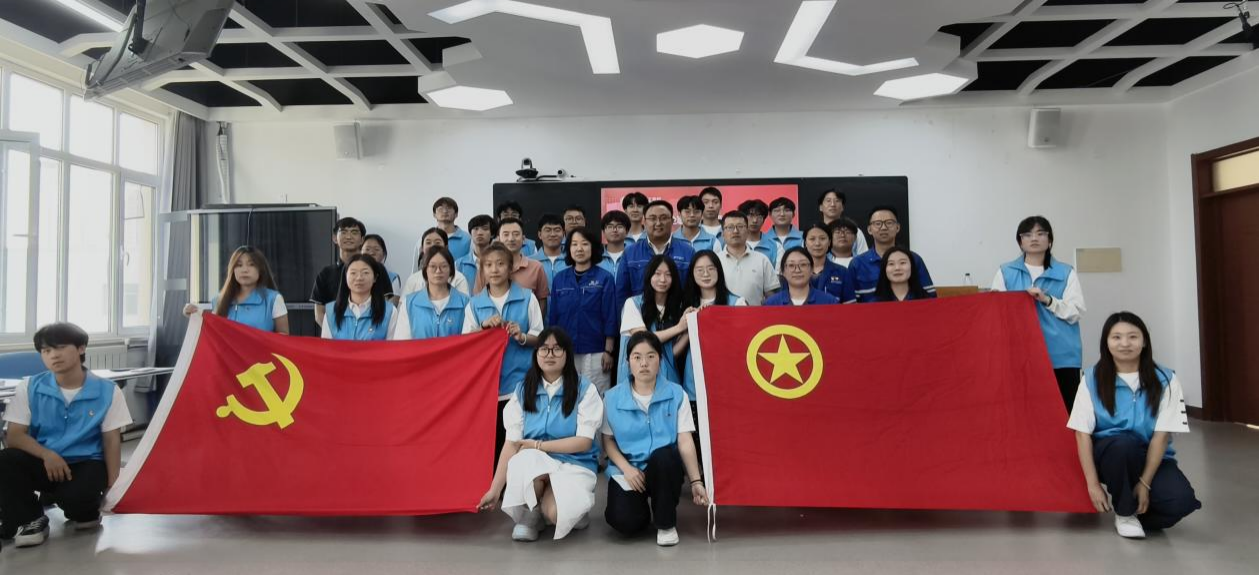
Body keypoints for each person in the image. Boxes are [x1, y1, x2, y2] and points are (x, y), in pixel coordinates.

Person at [1067, 312, 1199, 539]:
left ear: (1144, 341)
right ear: (1106, 343)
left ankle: (1137, 513)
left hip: (1149, 456)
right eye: (1116, 337)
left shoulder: (1166, 379)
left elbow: (1160, 437)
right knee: (1123, 444)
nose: (1125, 343)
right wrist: (1092, 484)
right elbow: (1082, 434)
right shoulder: (1090, 379)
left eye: (1133, 336)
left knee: (1181, 502)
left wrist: (1145, 484)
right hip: (1109, 455)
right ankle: (1125, 513)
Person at [0, 322, 132, 548]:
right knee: (6, 460)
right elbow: (15, 436)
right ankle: (31, 519)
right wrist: (47, 454)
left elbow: (111, 440)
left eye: (60, 347)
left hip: (85, 462)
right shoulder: (30, 386)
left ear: (81, 348)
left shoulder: (108, 390)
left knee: (83, 515)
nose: (53, 355)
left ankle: (77, 503)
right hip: (44, 461)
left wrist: (113, 486)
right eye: (46, 350)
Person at [478, 328, 605, 541]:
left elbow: (583, 442)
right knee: (525, 459)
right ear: (536, 354)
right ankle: (531, 514)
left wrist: (539, 446)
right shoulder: (522, 390)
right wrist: (495, 489)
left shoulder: (585, 389)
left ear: (567, 354)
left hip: (574, 462)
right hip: (535, 462)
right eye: (544, 349)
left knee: (555, 514)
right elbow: (511, 443)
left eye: (557, 349)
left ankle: (569, 509)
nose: (549, 355)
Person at [602, 331, 708, 547]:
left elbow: (685, 440)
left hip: (664, 469)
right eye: (637, 357)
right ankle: (641, 510)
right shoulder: (612, 398)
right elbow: (608, 441)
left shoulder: (677, 394)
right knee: (624, 522)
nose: (644, 363)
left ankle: (666, 523)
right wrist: (626, 469)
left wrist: (696, 481)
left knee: (665, 457)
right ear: (628, 362)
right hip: (630, 470)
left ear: (660, 360)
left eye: (651, 356)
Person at [991, 216, 1086, 411]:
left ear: (1049, 240)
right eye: (1027, 234)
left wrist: (1047, 300)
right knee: (1025, 412)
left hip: (1061, 355)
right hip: (1019, 355)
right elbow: (996, 313)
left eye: (1040, 233)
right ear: (1020, 241)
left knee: (1065, 411)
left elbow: (1075, 311)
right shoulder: (1005, 272)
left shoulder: (1066, 272)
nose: (1034, 238)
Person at [463, 242, 545, 466]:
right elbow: (465, 344)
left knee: (517, 442)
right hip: (487, 386)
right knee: (491, 445)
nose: (494, 269)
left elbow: (540, 337)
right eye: (488, 265)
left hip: (519, 382)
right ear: (482, 270)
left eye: (500, 264)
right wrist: (483, 329)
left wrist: (522, 336)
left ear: (510, 268)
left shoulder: (527, 297)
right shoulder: (474, 304)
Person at [547, 228, 617, 395]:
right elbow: (554, 317)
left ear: (593, 248)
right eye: (574, 244)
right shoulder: (560, 279)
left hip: (596, 351)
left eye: (585, 244)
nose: (579, 249)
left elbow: (610, 316)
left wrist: (608, 351)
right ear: (569, 248)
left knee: (596, 397)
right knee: (567, 396)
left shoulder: (605, 278)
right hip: (565, 350)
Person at [679, 250, 745, 401]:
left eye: (710, 268)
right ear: (692, 274)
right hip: (693, 381)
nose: (705, 274)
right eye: (699, 270)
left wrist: (713, 318)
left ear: (719, 271)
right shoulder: (685, 305)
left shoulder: (737, 302)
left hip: (727, 378)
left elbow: (742, 341)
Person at [618, 255, 693, 386]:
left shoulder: (676, 309)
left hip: (667, 379)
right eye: (657, 274)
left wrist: (689, 326)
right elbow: (643, 338)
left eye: (668, 275)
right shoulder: (633, 303)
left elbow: (671, 354)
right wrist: (679, 328)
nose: (662, 279)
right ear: (649, 276)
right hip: (636, 378)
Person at [183, 246, 289, 334]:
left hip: (261, 354)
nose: (244, 270)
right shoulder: (219, 300)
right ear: (233, 270)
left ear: (260, 269)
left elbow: (283, 337)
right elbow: (213, 334)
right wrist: (195, 314)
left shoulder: (273, 299)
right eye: (239, 265)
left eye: (251, 264)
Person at [615, 200, 695, 305]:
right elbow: (621, 292)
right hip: (639, 313)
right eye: (652, 218)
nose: (658, 223)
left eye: (663, 218)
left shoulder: (688, 252)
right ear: (644, 221)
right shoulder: (630, 253)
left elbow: (693, 291)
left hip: (677, 313)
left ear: (672, 221)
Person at [311, 217, 388, 326]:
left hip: (371, 333)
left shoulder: (376, 268)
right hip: (335, 333)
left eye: (354, 232)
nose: (348, 236)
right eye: (343, 232)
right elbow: (319, 313)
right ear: (334, 238)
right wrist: (335, 330)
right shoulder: (325, 274)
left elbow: (387, 305)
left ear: (362, 239)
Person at [850, 206, 935, 302]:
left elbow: (930, 298)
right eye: (877, 223)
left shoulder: (914, 259)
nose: (883, 227)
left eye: (889, 223)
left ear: (897, 227)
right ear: (869, 229)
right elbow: (852, 303)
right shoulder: (857, 264)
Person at [478, 218, 550, 318]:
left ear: (523, 238)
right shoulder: (487, 268)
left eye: (516, 234)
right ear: (498, 239)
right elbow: (478, 299)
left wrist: (533, 325)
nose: (511, 239)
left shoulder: (536, 267)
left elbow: (542, 301)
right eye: (506, 234)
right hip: (491, 325)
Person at [392, 247, 469, 340]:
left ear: (451, 269)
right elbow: (402, 342)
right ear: (425, 269)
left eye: (443, 266)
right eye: (433, 266)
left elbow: (469, 340)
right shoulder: (409, 303)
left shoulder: (465, 303)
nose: (438, 271)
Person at [321, 255, 397, 340]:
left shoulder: (389, 311)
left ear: (375, 278)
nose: (359, 278)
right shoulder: (331, 311)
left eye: (365, 272)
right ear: (345, 276)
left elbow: (393, 346)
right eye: (353, 273)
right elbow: (326, 346)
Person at [716, 210, 779, 305]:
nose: (735, 231)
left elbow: (771, 296)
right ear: (722, 234)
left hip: (755, 313)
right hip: (723, 314)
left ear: (747, 232)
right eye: (730, 227)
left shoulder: (761, 259)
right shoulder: (715, 260)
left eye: (740, 226)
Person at [402, 227, 472, 297]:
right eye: (428, 242)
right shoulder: (413, 280)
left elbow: (465, 302)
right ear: (422, 248)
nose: (433, 246)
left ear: (446, 247)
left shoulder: (458, 279)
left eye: (437, 242)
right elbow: (404, 302)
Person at [764, 247, 839, 306]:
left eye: (803, 265)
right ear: (783, 271)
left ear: (811, 269)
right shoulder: (771, 304)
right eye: (791, 265)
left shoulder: (829, 302)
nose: (797, 270)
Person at [804, 223, 857, 304]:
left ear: (829, 242)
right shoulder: (795, 272)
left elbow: (850, 307)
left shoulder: (842, 272)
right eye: (812, 239)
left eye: (822, 238)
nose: (817, 243)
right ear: (805, 243)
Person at [415, 197, 470, 268]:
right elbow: (416, 267)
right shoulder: (425, 239)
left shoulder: (468, 239)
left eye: (449, 208)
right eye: (440, 209)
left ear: (456, 214)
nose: (445, 211)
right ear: (434, 214)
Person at [817, 189, 869, 256]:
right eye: (828, 201)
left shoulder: (855, 231)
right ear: (821, 207)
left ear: (842, 207)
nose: (832, 204)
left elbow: (864, 257)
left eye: (837, 201)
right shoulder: (813, 232)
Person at [530, 214, 570, 291]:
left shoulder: (572, 261)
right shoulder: (529, 262)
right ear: (539, 234)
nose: (552, 234)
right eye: (548, 230)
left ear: (563, 234)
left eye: (557, 230)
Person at [457, 214, 497, 288]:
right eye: (476, 229)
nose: (479, 233)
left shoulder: (499, 262)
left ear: (492, 234)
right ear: (470, 233)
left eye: (485, 229)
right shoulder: (459, 264)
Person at [739, 199, 780, 266]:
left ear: (764, 219)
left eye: (759, 216)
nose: (755, 220)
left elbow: (778, 271)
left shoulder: (776, 247)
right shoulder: (733, 244)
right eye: (751, 215)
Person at [361, 233, 402, 300]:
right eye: (367, 249)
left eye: (376, 249)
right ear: (360, 252)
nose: (371, 253)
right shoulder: (352, 274)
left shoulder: (393, 277)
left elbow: (393, 303)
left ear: (383, 254)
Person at [599, 210, 631, 282]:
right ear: (603, 232)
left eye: (619, 226)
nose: (614, 230)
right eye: (610, 226)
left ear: (627, 231)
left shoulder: (632, 256)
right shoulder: (597, 258)